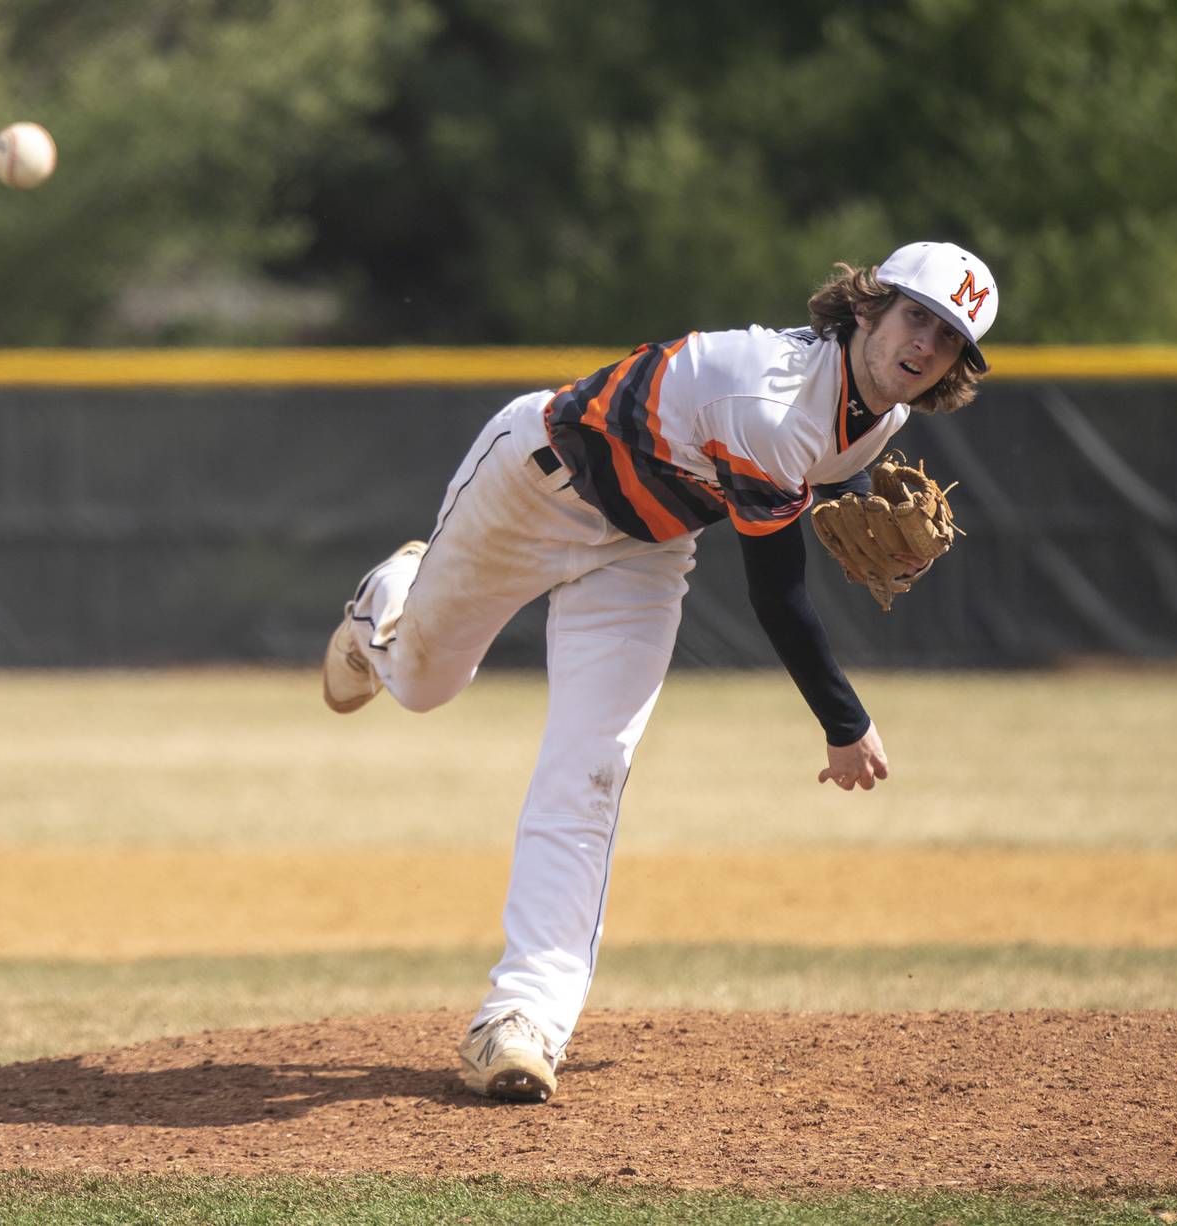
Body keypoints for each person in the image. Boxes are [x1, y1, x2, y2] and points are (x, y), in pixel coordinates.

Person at [322, 240, 998, 1103]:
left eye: (949, 339)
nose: (926, 346)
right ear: (869, 306)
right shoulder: (769, 397)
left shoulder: (881, 418)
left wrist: (835, 496)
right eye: (917, 316)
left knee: (592, 768)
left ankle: (521, 1019)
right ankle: (388, 600)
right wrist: (844, 722)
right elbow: (777, 595)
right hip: (535, 489)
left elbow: (803, 475)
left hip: (646, 547)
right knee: (423, 685)